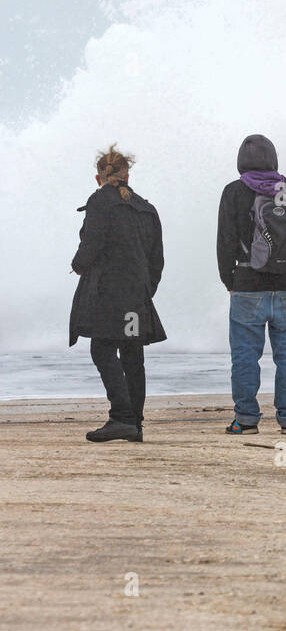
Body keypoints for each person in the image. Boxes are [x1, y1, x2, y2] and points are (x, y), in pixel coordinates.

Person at [217, 134, 286, 435]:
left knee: (246, 356)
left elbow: (225, 240)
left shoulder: (233, 192)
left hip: (246, 284)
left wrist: (228, 279)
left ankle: (245, 420)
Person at [69, 144, 166, 443]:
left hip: (109, 296)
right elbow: (157, 260)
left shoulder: (100, 202)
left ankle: (121, 418)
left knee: (102, 349)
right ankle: (134, 423)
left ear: (99, 178)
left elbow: (92, 244)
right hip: (136, 297)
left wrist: (77, 265)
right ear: (127, 174)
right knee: (132, 355)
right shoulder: (146, 208)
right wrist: (146, 288)